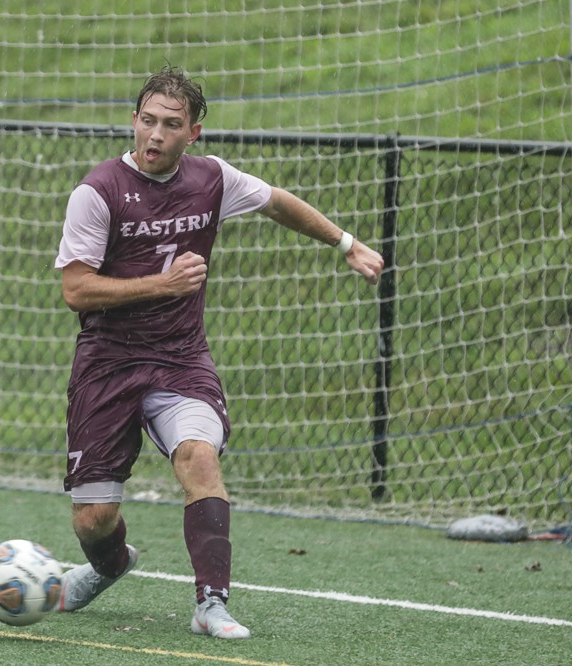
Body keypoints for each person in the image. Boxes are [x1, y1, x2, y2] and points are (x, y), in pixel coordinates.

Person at [53, 66, 384, 640]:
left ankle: (212, 602)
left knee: (200, 459)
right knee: (94, 518)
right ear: (134, 121)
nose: (156, 135)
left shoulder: (212, 180)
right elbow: (76, 289)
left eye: (171, 125)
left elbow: (277, 203)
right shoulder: (98, 191)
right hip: (106, 363)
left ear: (193, 134)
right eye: (148, 121)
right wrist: (163, 285)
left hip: (181, 359)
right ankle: (110, 563)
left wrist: (346, 243)